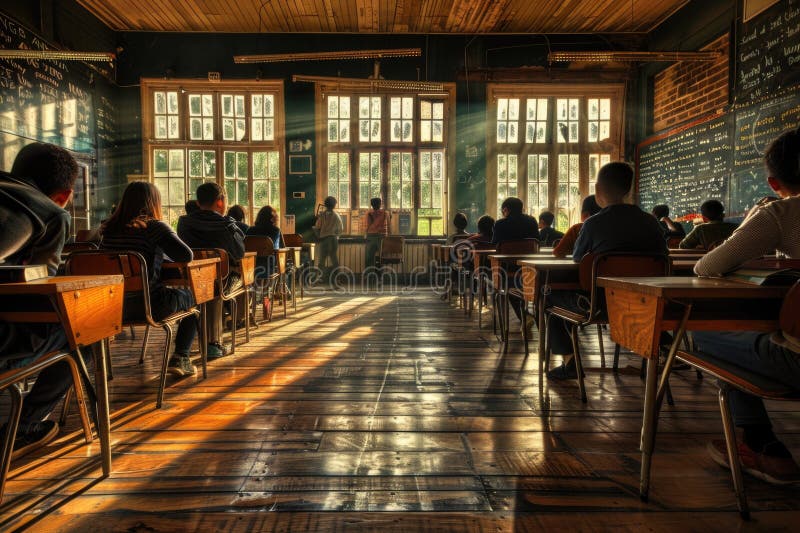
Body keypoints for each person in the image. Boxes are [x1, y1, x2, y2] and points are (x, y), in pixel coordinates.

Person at [692, 127, 800, 485]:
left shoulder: (782, 213)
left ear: (774, 183)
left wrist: (757, 217)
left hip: (795, 363)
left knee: (705, 332)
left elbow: (705, 267)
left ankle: (761, 445)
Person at [547, 162, 667, 380]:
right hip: (646, 305)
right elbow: (663, 259)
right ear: (629, 189)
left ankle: (570, 361)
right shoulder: (651, 223)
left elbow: (578, 259)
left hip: (599, 305)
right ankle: (661, 349)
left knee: (549, 297)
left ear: (598, 190)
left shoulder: (593, 224)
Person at [0, 143, 78, 457]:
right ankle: (22, 428)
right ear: (64, 195)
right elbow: (41, 293)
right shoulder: (51, 214)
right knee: (81, 333)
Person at [101, 181, 199, 378]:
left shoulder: (107, 230)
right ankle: (181, 357)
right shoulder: (154, 227)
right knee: (195, 298)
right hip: (150, 305)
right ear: (154, 202)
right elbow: (186, 256)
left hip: (109, 309)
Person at [177, 183, 245, 359]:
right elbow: (239, 253)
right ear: (221, 202)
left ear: (198, 203)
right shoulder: (226, 225)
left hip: (191, 282)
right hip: (219, 284)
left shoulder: (183, 224)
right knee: (231, 278)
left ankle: (207, 342)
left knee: (206, 284)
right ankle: (213, 343)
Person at [491, 197, 539, 322]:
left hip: (508, 269)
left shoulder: (500, 224)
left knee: (505, 283)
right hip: (530, 269)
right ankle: (527, 315)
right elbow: (538, 242)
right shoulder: (532, 221)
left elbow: (495, 245)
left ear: (505, 210)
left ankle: (523, 316)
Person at [247, 205, 283, 278]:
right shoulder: (275, 230)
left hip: (250, 267)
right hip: (269, 267)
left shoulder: (250, 230)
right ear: (273, 218)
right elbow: (279, 248)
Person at [313, 196, 343, 282]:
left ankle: (318, 278)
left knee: (321, 260)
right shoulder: (337, 216)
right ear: (334, 205)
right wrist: (336, 235)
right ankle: (338, 279)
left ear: (325, 205)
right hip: (333, 239)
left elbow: (317, 227)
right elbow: (340, 229)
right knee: (334, 259)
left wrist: (319, 235)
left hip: (324, 239)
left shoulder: (322, 215)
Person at [364, 197, 390, 269]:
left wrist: (365, 234)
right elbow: (389, 225)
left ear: (371, 205)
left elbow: (367, 226)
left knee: (369, 258)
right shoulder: (385, 213)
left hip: (371, 236)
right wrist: (389, 235)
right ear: (380, 204)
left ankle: (370, 274)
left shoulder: (368, 213)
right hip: (382, 237)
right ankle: (380, 273)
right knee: (382, 257)